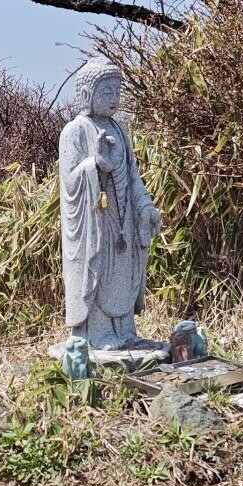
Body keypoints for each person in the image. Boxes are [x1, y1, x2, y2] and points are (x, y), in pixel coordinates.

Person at [59, 58, 162, 351]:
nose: (114, 99)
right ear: (87, 95)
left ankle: (125, 330)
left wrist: (145, 207)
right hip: (95, 221)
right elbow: (69, 182)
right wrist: (96, 164)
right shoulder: (75, 131)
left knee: (124, 271)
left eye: (117, 91)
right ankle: (98, 333)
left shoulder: (118, 130)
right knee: (99, 272)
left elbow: (132, 177)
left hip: (124, 217)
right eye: (106, 92)